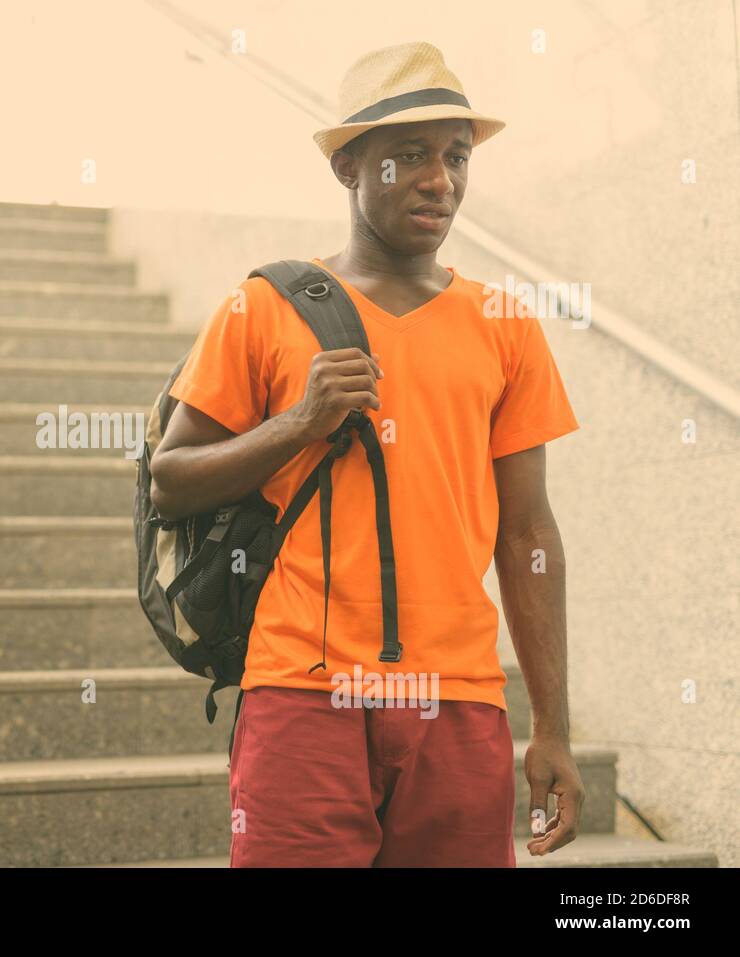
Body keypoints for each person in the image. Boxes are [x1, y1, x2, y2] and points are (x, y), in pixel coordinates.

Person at [148, 41, 583, 867]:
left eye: (456, 157)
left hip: (458, 701)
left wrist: (554, 727)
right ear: (350, 166)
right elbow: (171, 483)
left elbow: (528, 534)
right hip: (303, 692)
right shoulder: (263, 308)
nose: (440, 179)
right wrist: (296, 423)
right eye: (410, 155)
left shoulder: (506, 323)